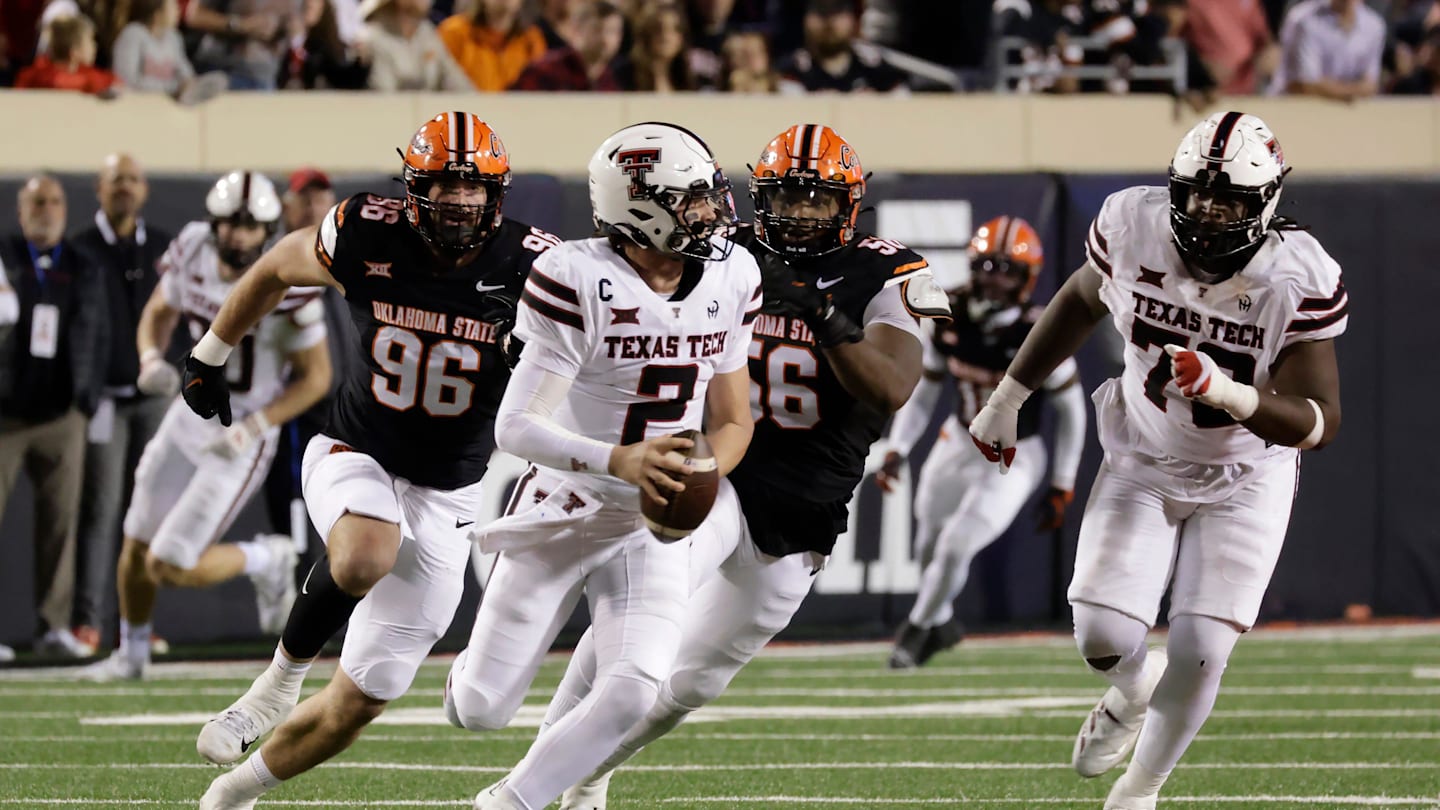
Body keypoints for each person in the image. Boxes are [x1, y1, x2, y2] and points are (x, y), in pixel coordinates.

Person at [539, 123, 951, 809]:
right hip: (716, 464)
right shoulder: (722, 251)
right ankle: (543, 781)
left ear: (847, 205)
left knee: (694, 683)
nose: (796, 215)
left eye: (814, 201)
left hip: (806, 500)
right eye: (785, 199)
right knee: (642, 626)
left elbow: (891, 387)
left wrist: (822, 313)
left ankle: (592, 767)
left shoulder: (888, 271)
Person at [966, 111, 1346, 810]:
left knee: (1202, 648)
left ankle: (1140, 792)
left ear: (1265, 203)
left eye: (1228, 198)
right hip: (1143, 452)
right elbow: (1081, 298)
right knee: (1103, 634)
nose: (1207, 212)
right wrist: (1008, 396)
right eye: (1197, 192)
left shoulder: (1296, 274)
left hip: (1245, 475)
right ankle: (1135, 690)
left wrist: (1234, 394)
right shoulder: (1132, 224)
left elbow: (1320, 421)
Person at [189, 112, 557, 810]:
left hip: (449, 493)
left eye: (472, 188)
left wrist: (537, 360)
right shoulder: (367, 229)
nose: (458, 203)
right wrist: (211, 352)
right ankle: (274, 685)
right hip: (356, 450)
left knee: (360, 702)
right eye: (443, 187)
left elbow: (584, 372)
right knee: (363, 555)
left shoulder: (538, 267)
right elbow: (272, 268)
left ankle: (232, 795)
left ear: (496, 194)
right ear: (413, 190)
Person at [440, 121, 757, 810]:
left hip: (648, 523)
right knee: (481, 708)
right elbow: (515, 426)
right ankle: (465, 681)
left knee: (634, 688)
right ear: (638, 205)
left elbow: (735, 419)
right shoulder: (574, 276)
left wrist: (699, 470)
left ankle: (507, 804)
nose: (710, 212)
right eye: (691, 199)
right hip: (563, 505)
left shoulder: (733, 272)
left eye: (708, 196)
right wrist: (622, 459)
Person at [78, 170, 329, 682]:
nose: (238, 235)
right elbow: (158, 311)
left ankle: (267, 558)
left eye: (249, 225)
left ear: (268, 228)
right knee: (135, 540)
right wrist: (150, 357)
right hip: (188, 415)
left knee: (167, 563)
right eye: (229, 223)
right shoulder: (191, 247)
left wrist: (255, 426)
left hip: (240, 432)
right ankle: (132, 655)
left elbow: (316, 378)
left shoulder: (291, 277)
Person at [876, 215, 1088, 669]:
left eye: (1007, 269)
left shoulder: (1039, 327)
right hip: (957, 439)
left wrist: (1061, 482)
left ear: (1027, 277)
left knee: (956, 546)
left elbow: (1072, 410)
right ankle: (944, 623)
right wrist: (898, 447)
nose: (995, 280)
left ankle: (915, 633)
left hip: (1013, 456)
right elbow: (927, 387)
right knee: (928, 545)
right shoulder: (947, 310)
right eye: (988, 266)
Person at [69, 153, 175, 654]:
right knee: (101, 510)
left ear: (145, 189)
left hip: (153, 400)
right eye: (116, 181)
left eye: (133, 180)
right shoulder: (80, 249)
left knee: (149, 513)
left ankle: (138, 623)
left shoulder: (160, 247)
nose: (125, 189)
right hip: (105, 402)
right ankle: (88, 621)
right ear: (98, 188)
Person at [0, 174, 109, 660]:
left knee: (60, 526)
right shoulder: (5, 255)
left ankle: (54, 625)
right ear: (21, 211)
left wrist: (85, 400)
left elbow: (98, 333)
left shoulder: (82, 262)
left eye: (55, 201)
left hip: (62, 414)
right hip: (4, 415)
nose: (47, 209)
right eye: (37, 201)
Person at [509, 0, 621, 90]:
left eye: (612, 31)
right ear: (579, 30)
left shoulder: (609, 81)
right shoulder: (547, 71)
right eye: (597, 30)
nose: (605, 39)